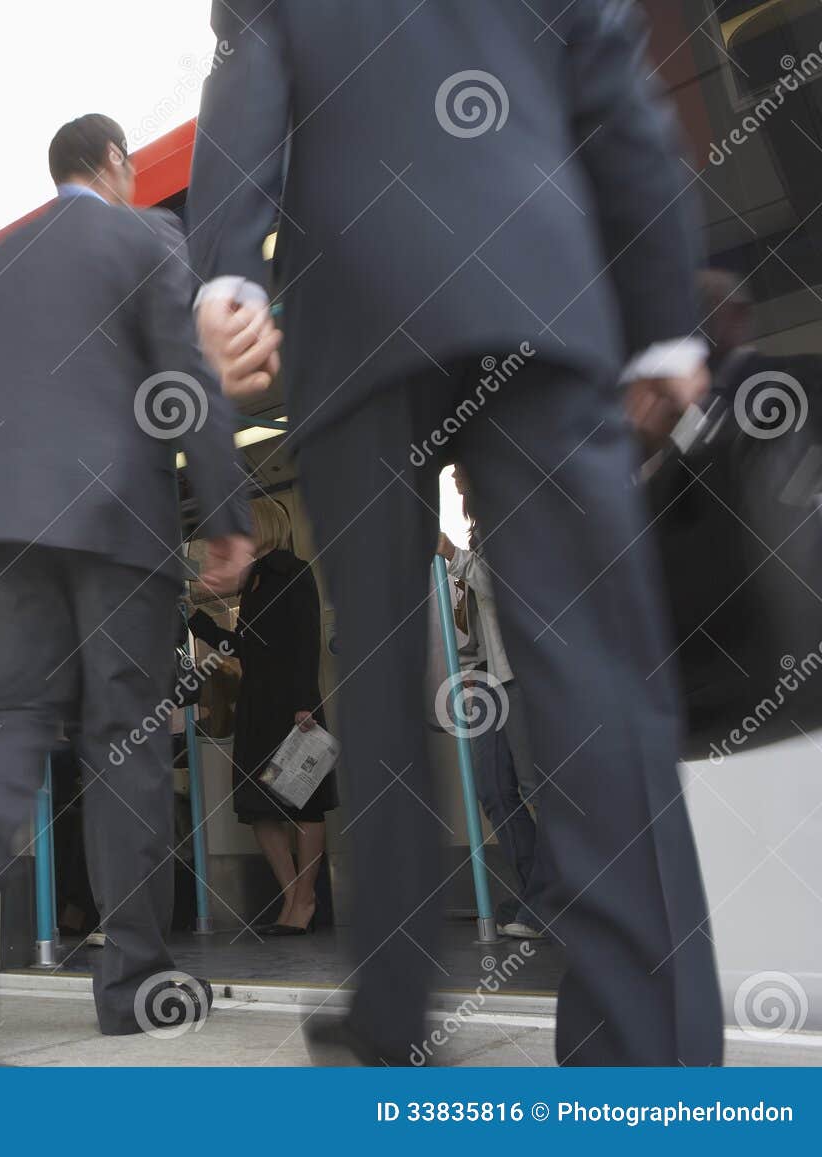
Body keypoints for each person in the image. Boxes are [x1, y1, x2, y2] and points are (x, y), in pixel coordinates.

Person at [188, 0, 721, 1065]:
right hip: (536, 286)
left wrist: (227, 272)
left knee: (377, 683)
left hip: (357, 305)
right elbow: (617, 96)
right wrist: (665, 322)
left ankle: (391, 1007)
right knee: (596, 677)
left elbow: (249, 62)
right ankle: (644, 1047)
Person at [0, 113, 255, 1037]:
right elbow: (183, 378)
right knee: (125, 742)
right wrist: (227, 512)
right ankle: (133, 979)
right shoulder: (146, 237)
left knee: (16, 714)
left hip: (3, 532)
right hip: (116, 524)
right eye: (131, 164)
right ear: (113, 163)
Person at [189, 545, 336, 935]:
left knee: (304, 801)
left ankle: (303, 901)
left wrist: (305, 700)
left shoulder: (294, 572)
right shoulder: (251, 583)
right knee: (259, 807)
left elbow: (306, 636)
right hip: (257, 704)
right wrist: (199, 624)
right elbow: (246, 648)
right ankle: (294, 898)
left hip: (291, 702)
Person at [438, 469, 546, 940]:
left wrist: (452, 557)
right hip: (490, 677)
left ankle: (551, 902)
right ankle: (536, 896)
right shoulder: (479, 533)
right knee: (495, 791)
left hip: (522, 675)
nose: (460, 480)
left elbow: (509, 590)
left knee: (534, 789)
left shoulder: (516, 519)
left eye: (463, 471)